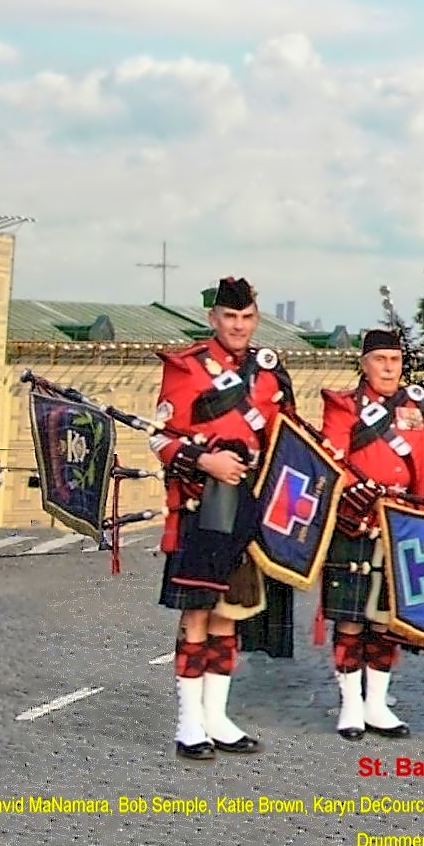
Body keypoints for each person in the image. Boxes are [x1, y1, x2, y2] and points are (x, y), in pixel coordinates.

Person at [151, 275, 296, 761]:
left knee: (228, 616)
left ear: (256, 319)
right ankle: (189, 722)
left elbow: (288, 442)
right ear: (213, 318)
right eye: (230, 317)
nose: (238, 326)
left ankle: (217, 716)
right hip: (202, 505)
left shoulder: (271, 373)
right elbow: (160, 439)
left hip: (250, 506)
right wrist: (203, 461)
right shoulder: (187, 368)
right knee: (197, 612)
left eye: (247, 318)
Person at [317, 326, 424, 741]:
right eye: (381, 360)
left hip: (402, 523)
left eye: (395, 360)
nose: (389, 368)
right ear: (364, 364)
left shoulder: (418, 407)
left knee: (386, 619)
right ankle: (350, 705)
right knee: (350, 619)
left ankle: (377, 704)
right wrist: (360, 497)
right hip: (358, 518)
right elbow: (332, 457)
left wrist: (420, 516)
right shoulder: (344, 406)